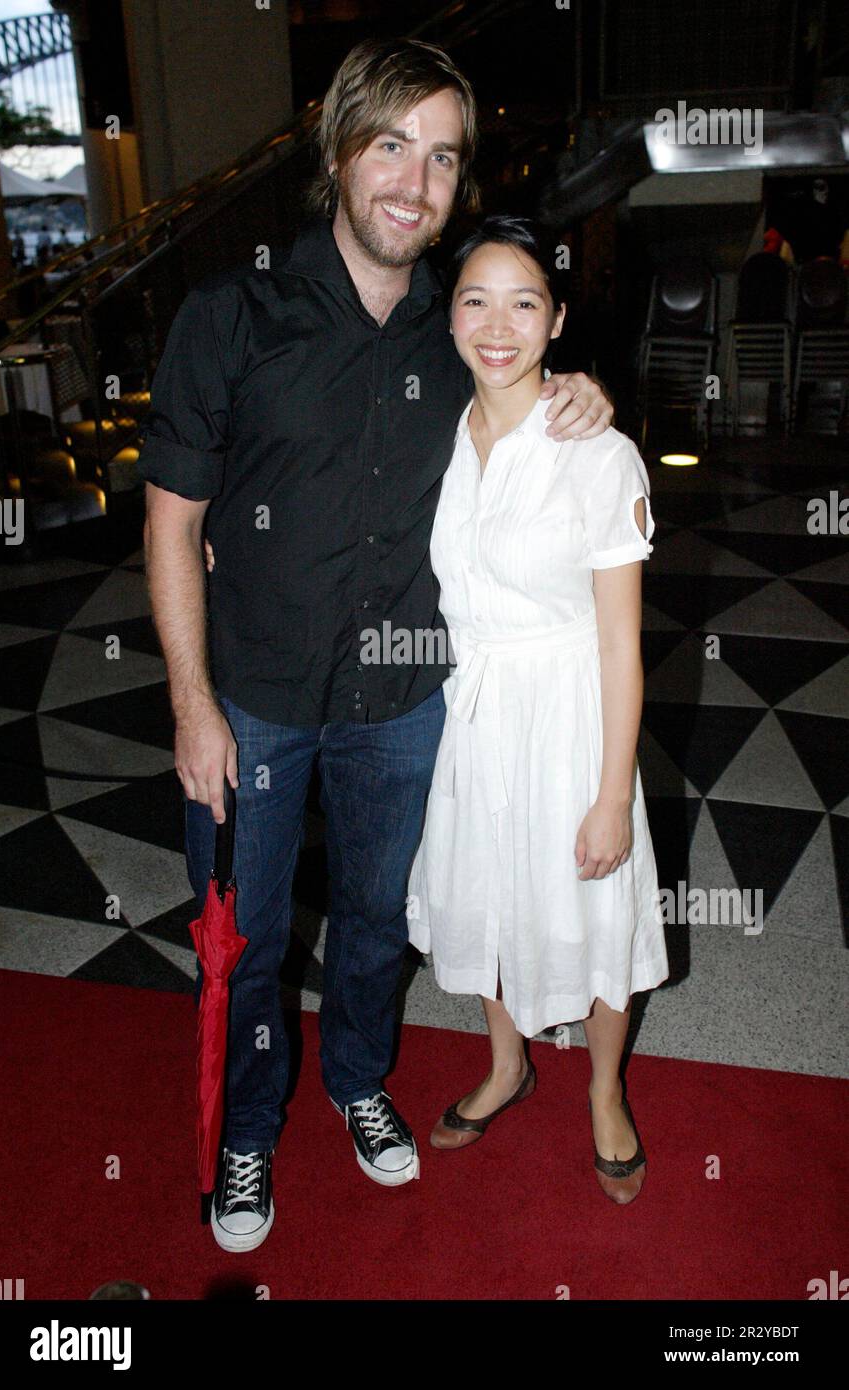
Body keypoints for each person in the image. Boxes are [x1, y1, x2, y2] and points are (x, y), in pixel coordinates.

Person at [138, 37, 614, 1255]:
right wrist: (192, 709)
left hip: (404, 701)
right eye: (391, 144)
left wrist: (582, 392)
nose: (414, 180)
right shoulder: (228, 313)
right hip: (250, 694)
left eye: (442, 155)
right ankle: (250, 1127)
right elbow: (172, 519)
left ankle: (355, 1076)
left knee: (373, 919)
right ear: (340, 150)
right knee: (241, 938)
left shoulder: (453, 329)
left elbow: (527, 372)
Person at [406, 215, 669, 1205]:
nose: (497, 322)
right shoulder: (442, 429)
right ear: (450, 318)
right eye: (475, 299)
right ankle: (507, 1060)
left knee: (589, 907)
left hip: (567, 713)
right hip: (475, 716)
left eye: (524, 301)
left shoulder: (594, 451)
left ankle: (603, 1086)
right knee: (485, 895)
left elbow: (617, 641)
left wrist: (610, 794)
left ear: (555, 319)